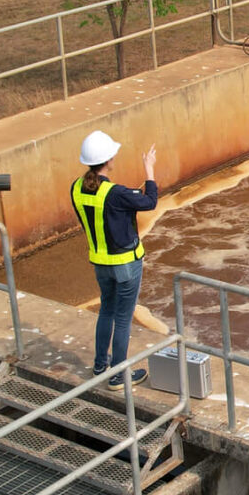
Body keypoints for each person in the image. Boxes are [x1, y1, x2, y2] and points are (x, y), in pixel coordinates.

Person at [72, 129, 163, 388]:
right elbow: (150, 202)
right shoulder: (115, 193)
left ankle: (101, 365)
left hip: (100, 263)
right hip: (125, 264)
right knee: (123, 319)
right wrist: (149, 170)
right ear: (109, 159)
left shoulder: (76, 188)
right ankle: (118, 375)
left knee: (107, 311)